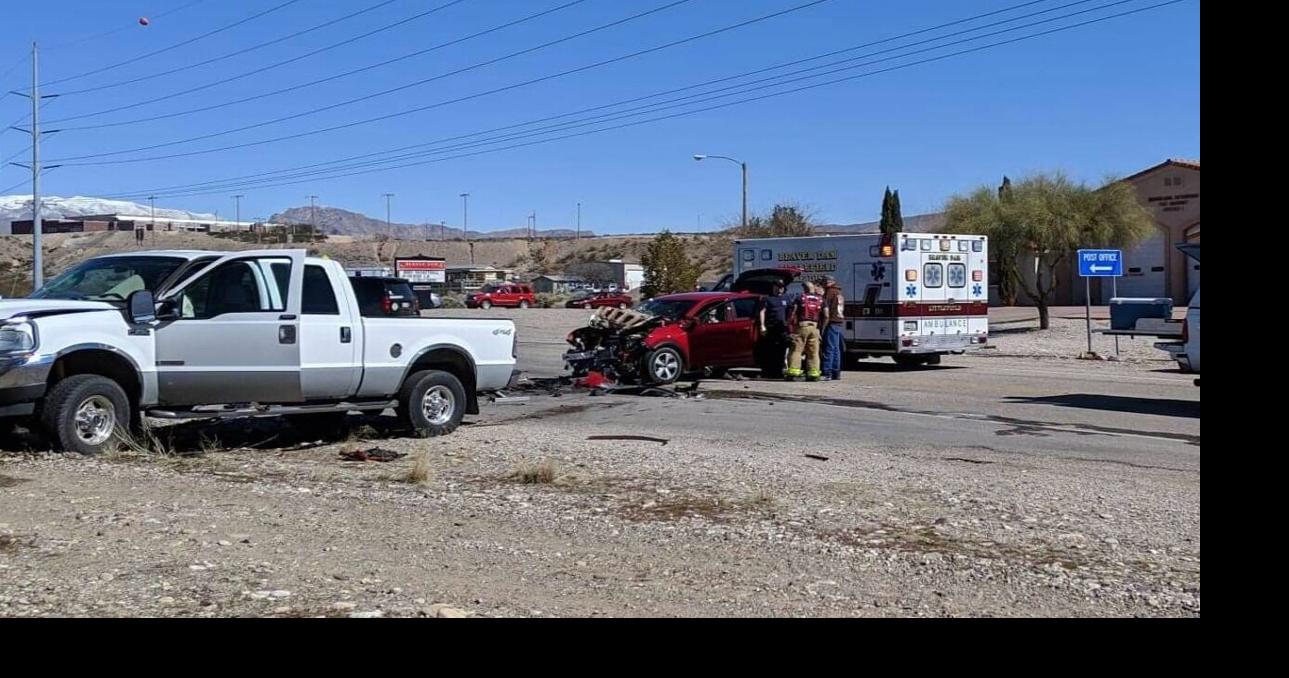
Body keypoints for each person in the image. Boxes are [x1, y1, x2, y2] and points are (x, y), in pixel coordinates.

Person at [786, 282, 824, 381]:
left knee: (796, 350)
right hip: (815, 328)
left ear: (805, 289)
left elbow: (793, 313)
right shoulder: (821, 299)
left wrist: (789, 327)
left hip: (802, 326)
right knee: (813, 352)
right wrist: (820, 329)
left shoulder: (800, 298)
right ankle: (814, 374)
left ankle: (793, 373)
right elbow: (826, 315)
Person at [757, 282, 793, 379]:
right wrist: (762, 325)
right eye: (779, 287)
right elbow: (762, 311)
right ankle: (770, 372)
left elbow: (791, 311)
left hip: (782, 328)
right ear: (774, 287)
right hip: (771, 328)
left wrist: (788, 323)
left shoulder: (786, 298)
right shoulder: (767, 298)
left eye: (782, 287)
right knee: (771, 350)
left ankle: (779, 372)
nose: (781, 289)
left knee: (781, 350)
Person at [820, 276, 846, 381]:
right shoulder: (839, 293)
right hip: (838, 322)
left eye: (823, 282)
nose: (822, 284)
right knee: (836, 349)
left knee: (829, 348)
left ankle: (828, 371)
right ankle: (836, 371)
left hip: (831, 322)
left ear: (828, 282)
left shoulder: (829, 292)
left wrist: (822, 326)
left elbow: (825, 309)